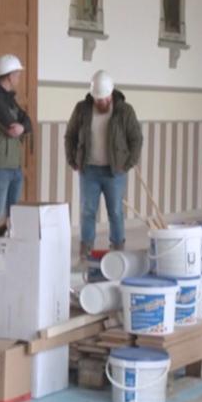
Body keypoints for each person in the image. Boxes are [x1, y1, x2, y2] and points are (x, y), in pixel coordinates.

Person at [64, 70, 143, 265]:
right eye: (97, 99)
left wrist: (128, 163)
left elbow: (136, 139)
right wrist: (72, 158)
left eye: (104, 99)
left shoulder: (125, 111)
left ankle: (117, 249)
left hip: (114, 171)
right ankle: (86, 251)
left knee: (115, 212)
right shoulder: (82, 109)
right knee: (87, 211)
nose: (101, 103)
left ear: (111, 94)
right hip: (88, 170)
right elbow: (70, 135)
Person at [0, 54, 31, 238]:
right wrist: (21, 127)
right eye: (17, 74)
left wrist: (23, 126)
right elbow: (12, 129)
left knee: (14, 215)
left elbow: (26, 121)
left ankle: (9, 256)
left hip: (14, 165)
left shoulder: (9, 99)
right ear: (9, 76)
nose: (18, 78)